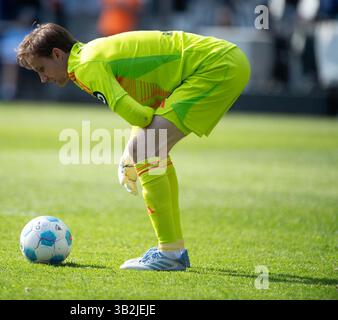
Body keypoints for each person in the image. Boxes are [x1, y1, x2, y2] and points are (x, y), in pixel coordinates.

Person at [16, 23, 251, 271]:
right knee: (151, 149)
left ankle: (170, 252)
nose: (42, 79)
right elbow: (147, 106)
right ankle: (173, 250)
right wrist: (131, 152)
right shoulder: (89, 55)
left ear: (57, 54)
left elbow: (138, 115)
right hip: (225, 60)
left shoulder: (84, 66)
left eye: (41, 69)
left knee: (147, 149)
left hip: (216, 66)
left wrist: (131, 152)